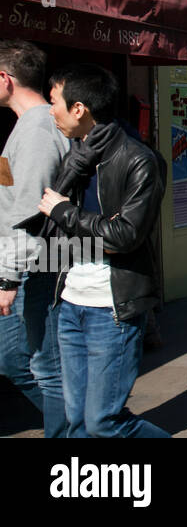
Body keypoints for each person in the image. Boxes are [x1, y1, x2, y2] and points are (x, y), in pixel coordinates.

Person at [36, 63, 169, 437]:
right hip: (71, 303)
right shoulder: (76, 159)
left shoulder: (139, 161)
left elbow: (125, 235)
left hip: (112, 309)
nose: (51, 111)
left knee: (103, 422)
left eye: (55, 102)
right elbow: (54, 229)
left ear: (79, 108)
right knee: (76, 421)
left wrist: (65, 211)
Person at [0, 40, 71, 437]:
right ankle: (81, 425)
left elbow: (29, 210)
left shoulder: (39, 129)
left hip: (36, 267)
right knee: (17, 364)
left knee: (43, 367)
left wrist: (8, 280)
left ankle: (78, 434)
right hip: (24, 265)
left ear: (5, 79)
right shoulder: (26, 127)